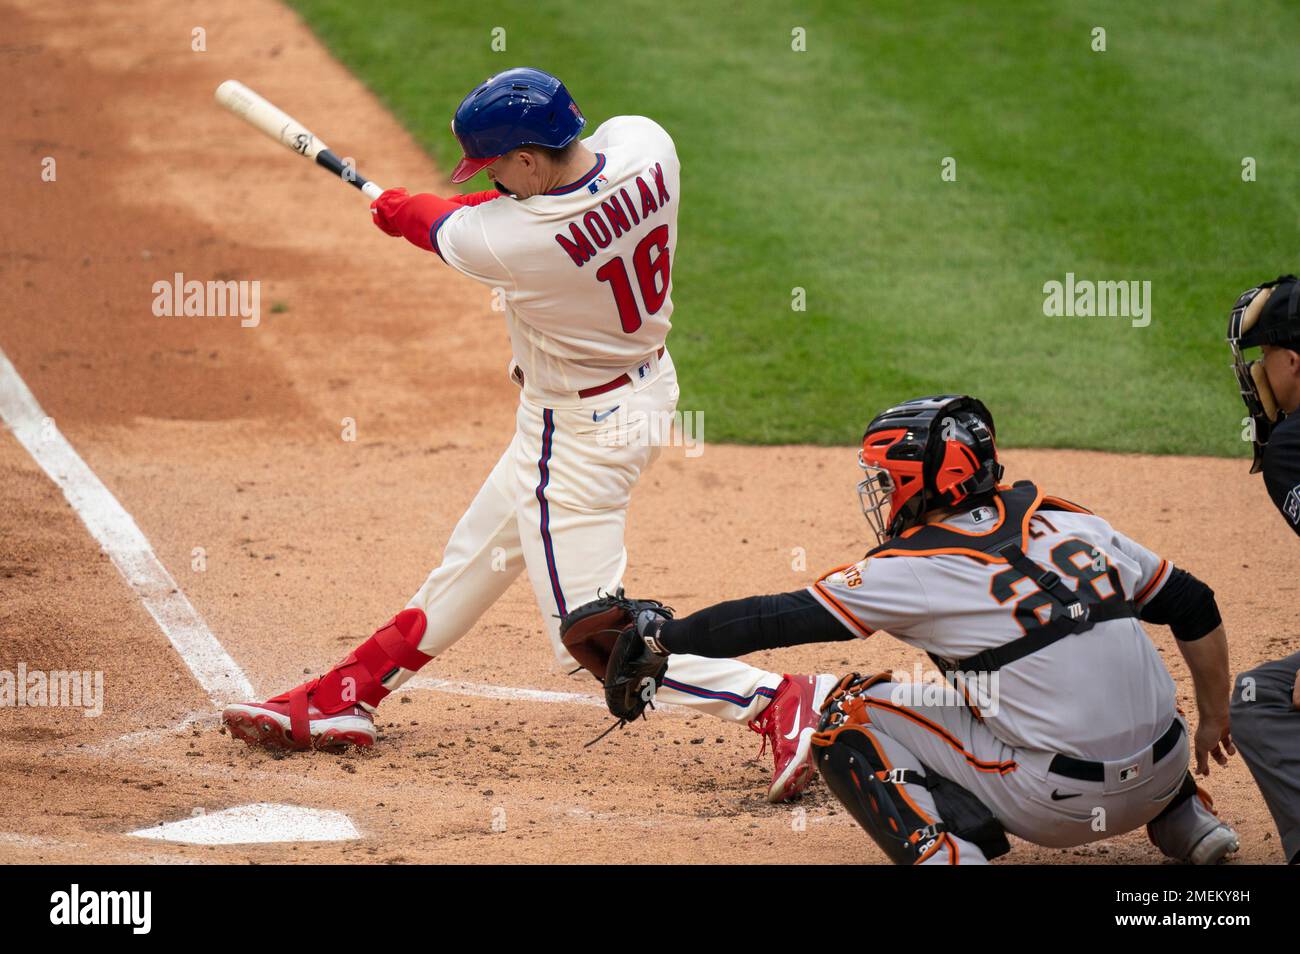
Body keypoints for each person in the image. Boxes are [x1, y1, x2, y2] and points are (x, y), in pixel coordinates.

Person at [220, 67, 832, 802]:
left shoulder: (513, 244)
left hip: (573, 435)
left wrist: (393, 208)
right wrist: (424, 205)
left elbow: (436, 222)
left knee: (593, 637)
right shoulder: (647, 145)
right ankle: (347, 696)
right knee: (478, 557)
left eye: (497, 167)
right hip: (644, 390)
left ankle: (778, 700)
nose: (493, 181)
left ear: (530, 160)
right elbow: (494, 212)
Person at [593, 395, 1241, 863]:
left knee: (847, 711)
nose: (879, 490)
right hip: (1169, 764)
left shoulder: (913, 567)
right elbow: (1192, 601)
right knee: (1085, 656)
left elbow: (775, 618)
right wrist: (1213, 718)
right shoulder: (1068, 521)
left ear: (917, 480)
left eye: (886, 478)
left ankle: (947, 856)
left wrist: (662, 637)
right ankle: (1186, 818)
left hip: (1054, 804)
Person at [1226, 275, 1300, 863]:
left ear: (1293, 362)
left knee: (1260, 698)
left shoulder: (1293, 445)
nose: (1257, 373)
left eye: (1265, 356)